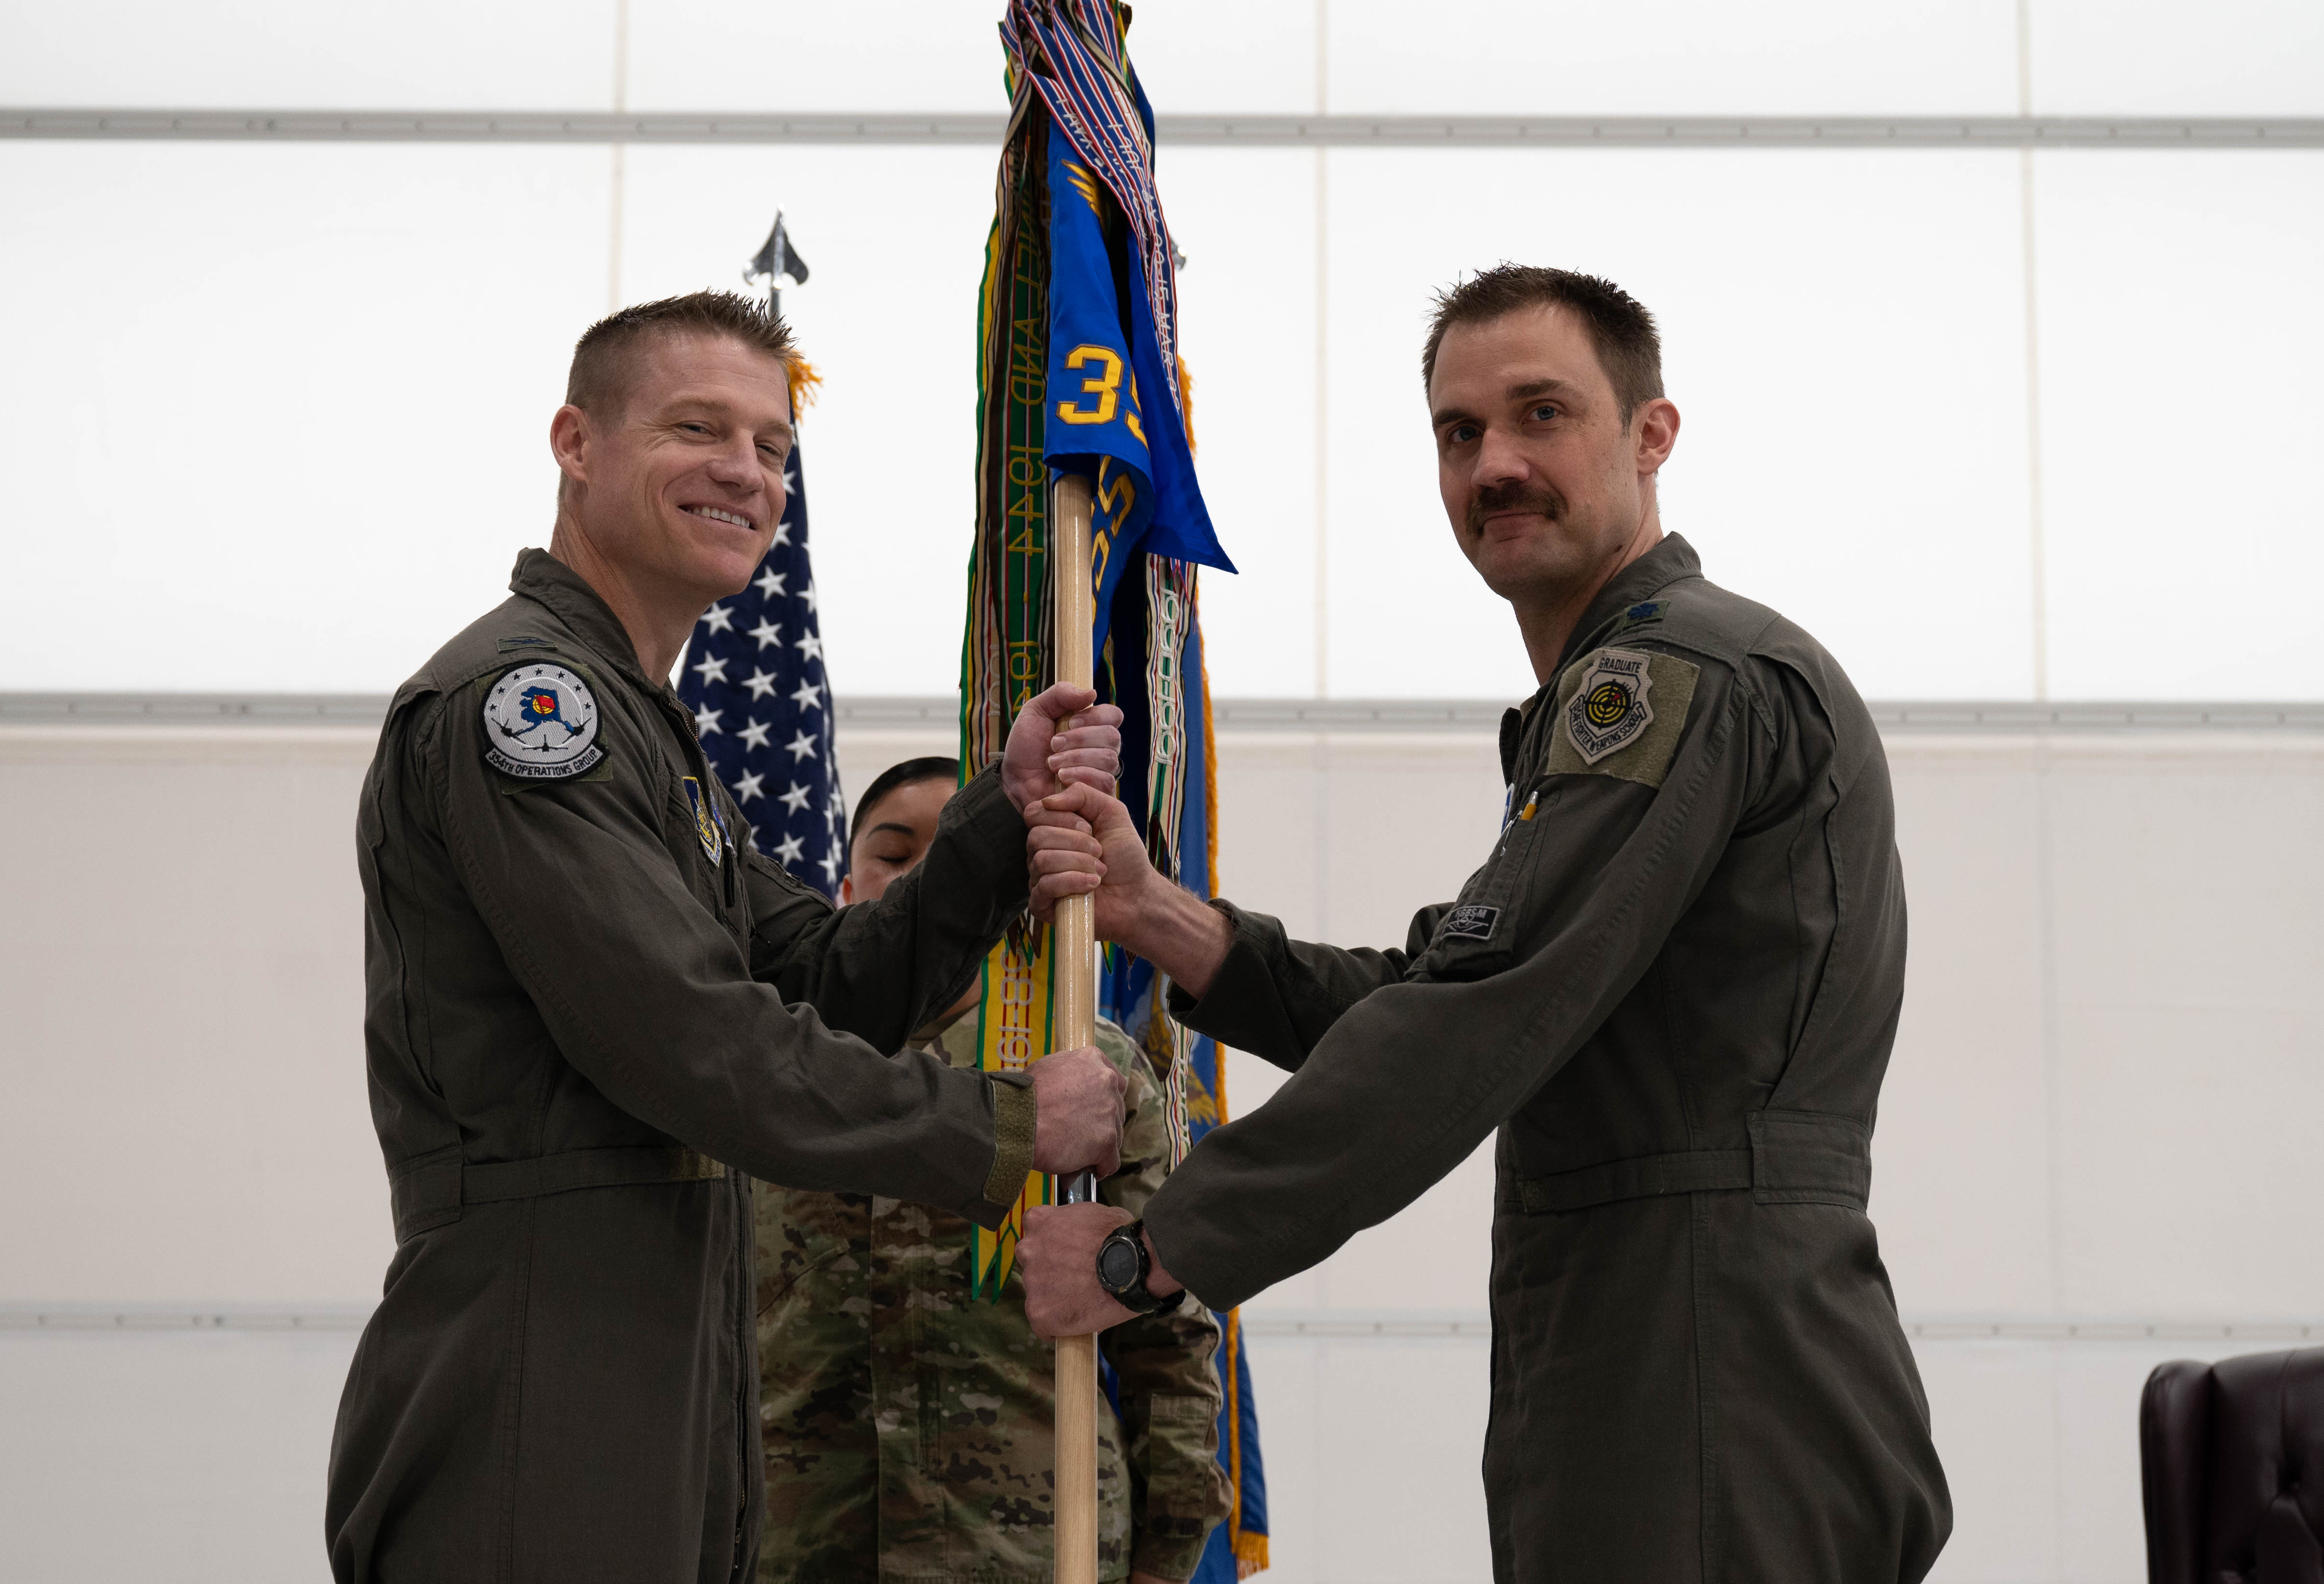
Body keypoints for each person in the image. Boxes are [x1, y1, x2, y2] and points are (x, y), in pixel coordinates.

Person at [1020, 266, 1955, 1582]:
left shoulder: (1670, 674)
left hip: (1703, 1370)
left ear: (1651, 434)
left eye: (1541, 414)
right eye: (1459, 432)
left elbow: (1473, 1021)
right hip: (1662, 1352)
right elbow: (1447, 995)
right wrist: (1155, 916)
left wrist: (1151, 1250)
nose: (1495, 463)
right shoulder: (1634, 682)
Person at [326, 291, 1131, 1584]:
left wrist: (999, 817)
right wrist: (1006, 1124)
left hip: (664, 1360)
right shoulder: (530, 708)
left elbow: (822, 977)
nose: (745, 471)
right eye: (696, 428)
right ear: (576, 443)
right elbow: (694, 1040)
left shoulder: (643, 725)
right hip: (545, 1364)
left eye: (770, 445)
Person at [755, 756, 1232, 1584]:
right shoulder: (765, 1069)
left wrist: (1166, 1553)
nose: (920, 876)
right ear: (845, 889)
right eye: (894, 855)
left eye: (950, 853)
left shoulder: (1087, 1069)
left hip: (1028, 1547)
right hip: (799, 1543)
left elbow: (1167, 1330)